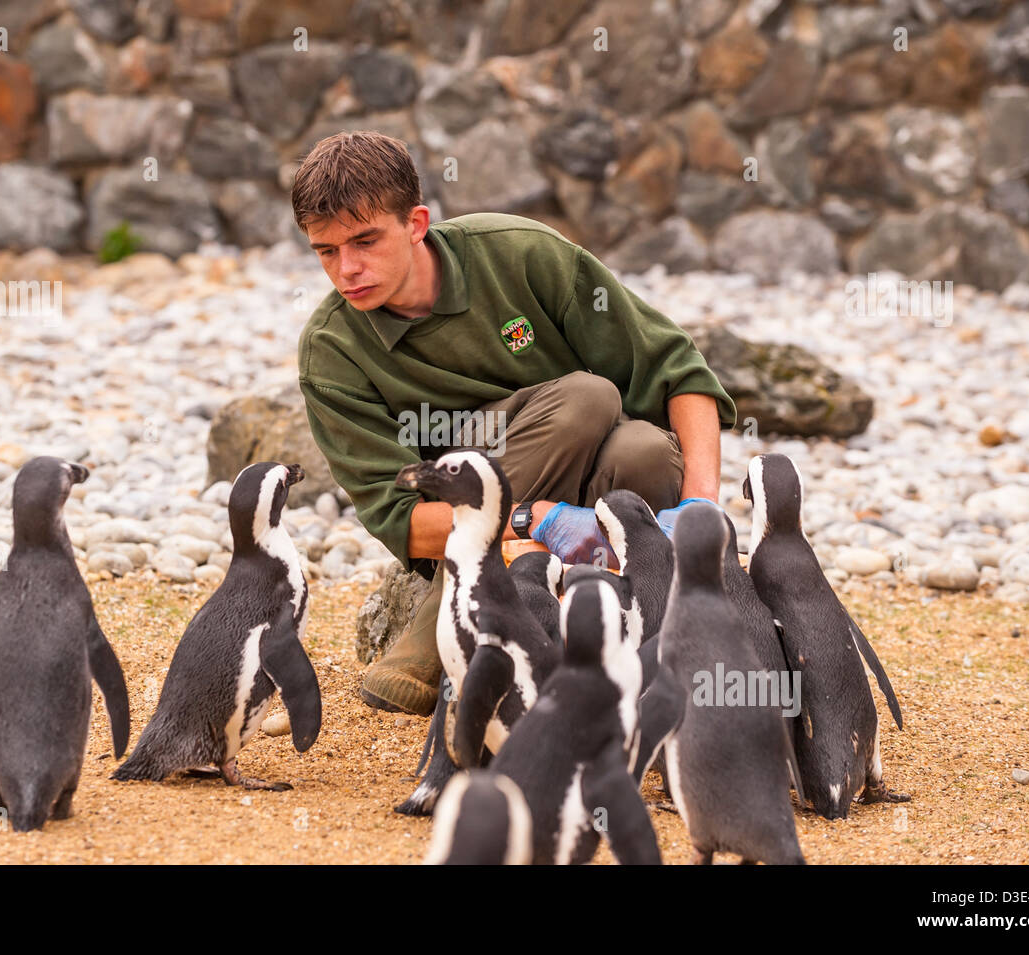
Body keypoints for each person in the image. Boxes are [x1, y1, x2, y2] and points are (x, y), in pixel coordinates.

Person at [294, 131, 737, 716]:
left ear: (417, 223)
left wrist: (702, 509)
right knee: (587, 398)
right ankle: (453, 616)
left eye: (365, 241)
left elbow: (679, 371)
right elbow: (398, 519)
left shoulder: (523, 254)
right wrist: (536, 518)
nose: (347, 270)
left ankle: (615, 639)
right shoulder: (331, 351)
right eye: (326, 252)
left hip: (594, 478)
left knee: (644, 453)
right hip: (461, 515)